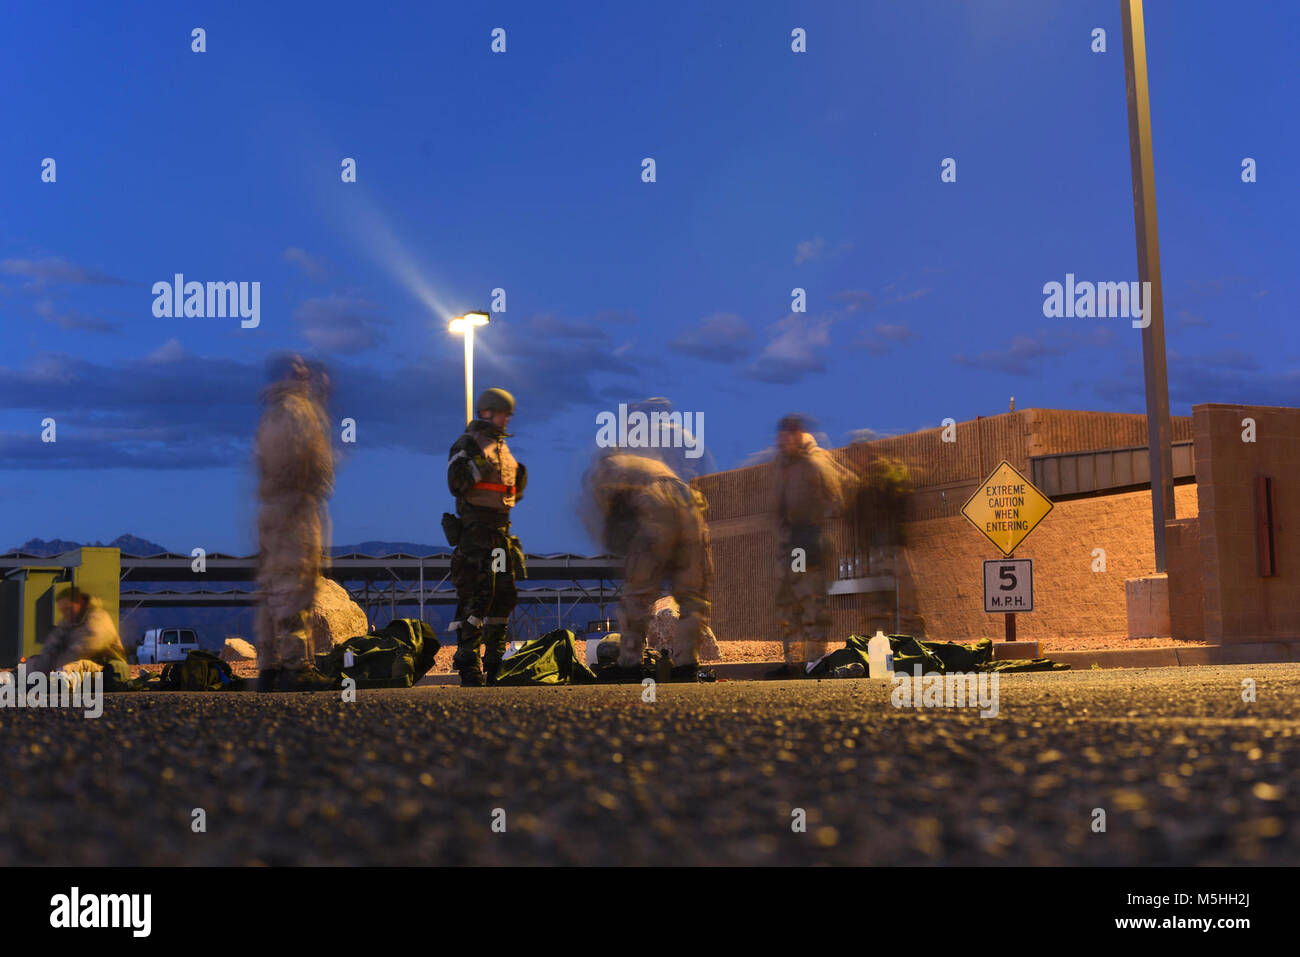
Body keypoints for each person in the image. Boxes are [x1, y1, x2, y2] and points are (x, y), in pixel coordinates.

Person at [583, 451, 713, 682]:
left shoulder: (608, 466)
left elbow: (612, 517)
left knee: (637, 593)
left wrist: (633, 552)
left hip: (657, 502)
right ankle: (687, 666)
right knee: (692, 594)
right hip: (691, 503)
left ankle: (630, 665)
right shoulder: (649, 465)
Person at [254, 354, 337, 692]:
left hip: (272, 509)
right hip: (297, 507)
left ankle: (270, 667)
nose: (305, 372)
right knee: (297, 584)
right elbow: (315, 462)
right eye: (296, 369)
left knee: (272, 585)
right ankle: (295, 666)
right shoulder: (299, 411)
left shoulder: (270, 415)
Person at [446, 388, 527, 686]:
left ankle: (494, 663)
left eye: (508, 415)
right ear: (487, 413)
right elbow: (456, 483)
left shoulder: (503, 449)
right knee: (476, 598)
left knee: (502, 597)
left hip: (500, 534)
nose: (507, 420)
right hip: (475, 535)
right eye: (503, 414)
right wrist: (480, 462)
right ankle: (468, 664)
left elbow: (511, 493)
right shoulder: (468, 444)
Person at [768, 415, 857, 679]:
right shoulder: (784, 464)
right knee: (788, 601)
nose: (782, 439)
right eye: (781, 434)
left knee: (811, 602)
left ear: (798, 434)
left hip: (812, 541)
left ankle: (814, 660)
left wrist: (816, 527)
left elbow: (837, 500)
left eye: (788, 434)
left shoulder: (816, 462)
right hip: (792, 544)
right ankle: (793, 662)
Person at [27, 586, 130, 685]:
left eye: (68, 609)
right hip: (74, 664)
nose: (65, 613)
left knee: (71, 667)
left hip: (105, 668)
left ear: (80, 603)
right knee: (32, 663)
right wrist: (43, 664)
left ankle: (58, 684)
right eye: (62, 610)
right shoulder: (67, 622)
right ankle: (29, 682)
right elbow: (51, 646)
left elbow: (87, 647)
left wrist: (58, 663)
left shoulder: (98, 618)